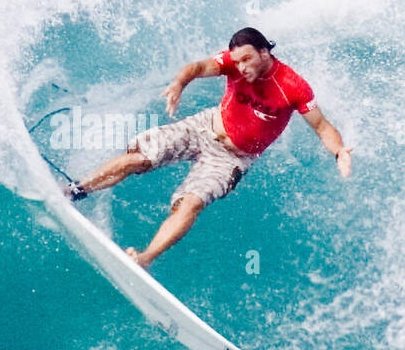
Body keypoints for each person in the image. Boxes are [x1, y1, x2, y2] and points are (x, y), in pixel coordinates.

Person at [64, 27, 353, 268]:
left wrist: (339, 151)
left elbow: (322, 127)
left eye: (247, 60)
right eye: (236, 61)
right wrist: (179, 83)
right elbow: (198, 67)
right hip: (205, 126)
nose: (240, 67)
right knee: (135, 160)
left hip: (231, 158)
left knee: (191, 204)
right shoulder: (233, 62)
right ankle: (75, 191)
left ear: (265, 53)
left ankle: (144, 259)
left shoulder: (292, 86)